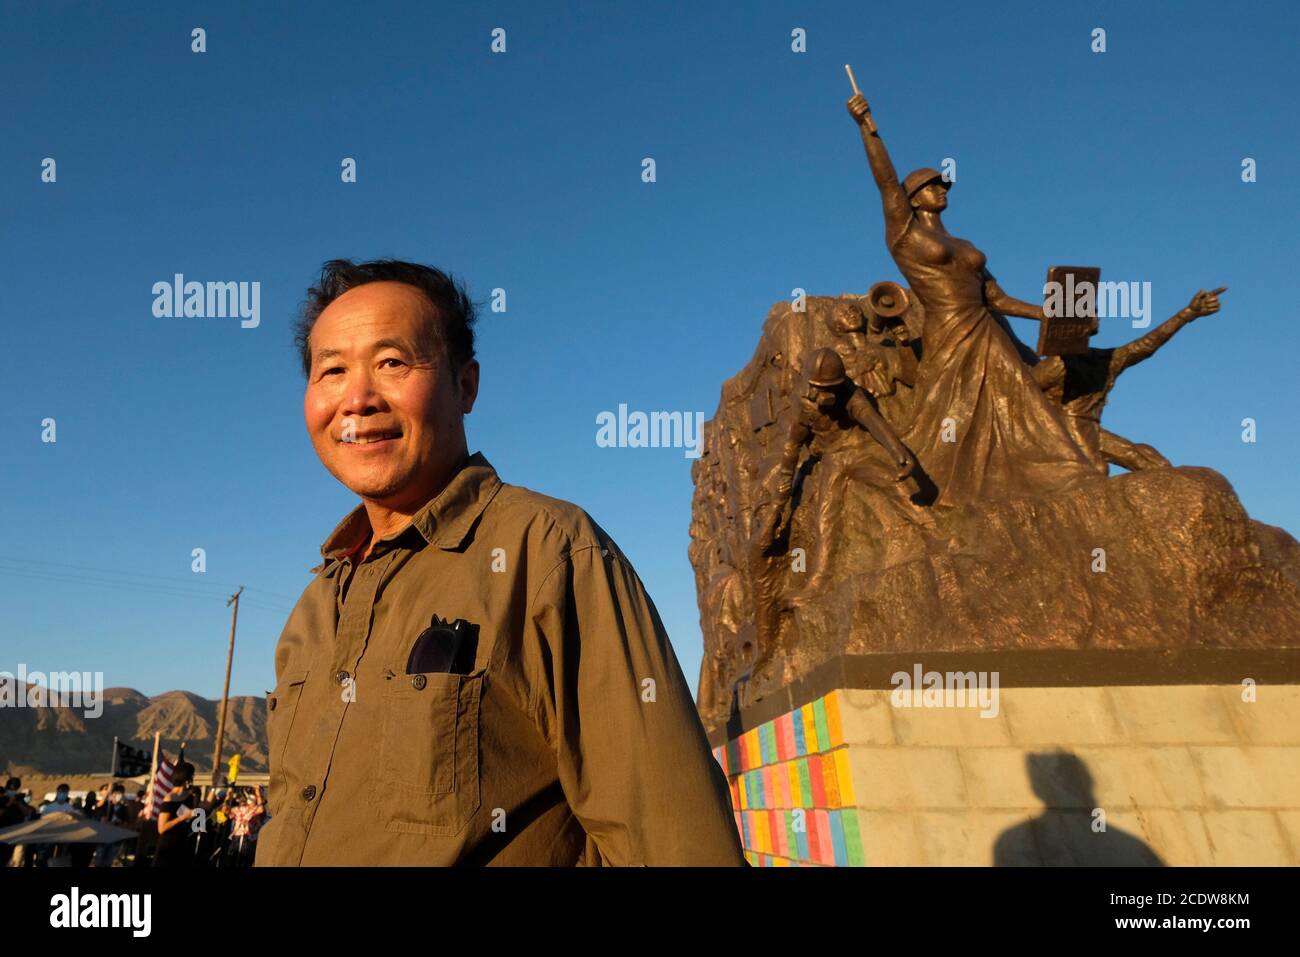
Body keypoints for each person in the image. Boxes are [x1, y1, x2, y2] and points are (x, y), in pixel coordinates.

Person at [255, 259, 745, 866]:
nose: (357, 398)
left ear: (465, 386)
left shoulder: (549, 551)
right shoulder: (314, 606)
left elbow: (676, 842)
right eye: (331, 370)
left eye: (392, 363)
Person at [846, 91, 1097, 507]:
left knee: (1022, 398)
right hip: (947, 333)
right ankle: (948, 491)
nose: (940, 190)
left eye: (942, 185)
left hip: (985, 328)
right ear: (912, 199)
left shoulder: (964, 243)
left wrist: (1060, 312)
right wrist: (866, 126)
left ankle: (1062, 474)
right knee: (954, 421)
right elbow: (886, 182)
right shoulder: (905, 236)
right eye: (930, 186)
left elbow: (998, 299)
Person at [1032, 287, 1226, 472]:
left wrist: (1188, 313)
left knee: (1147, 459)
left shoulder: (1105, 359)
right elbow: (1021, 396)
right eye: (1091, 312)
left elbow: (1146, 345)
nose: (1097, 316)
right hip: (1065, 430)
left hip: (1091, 427)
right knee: (1098, 469)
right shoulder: (1057, 364)